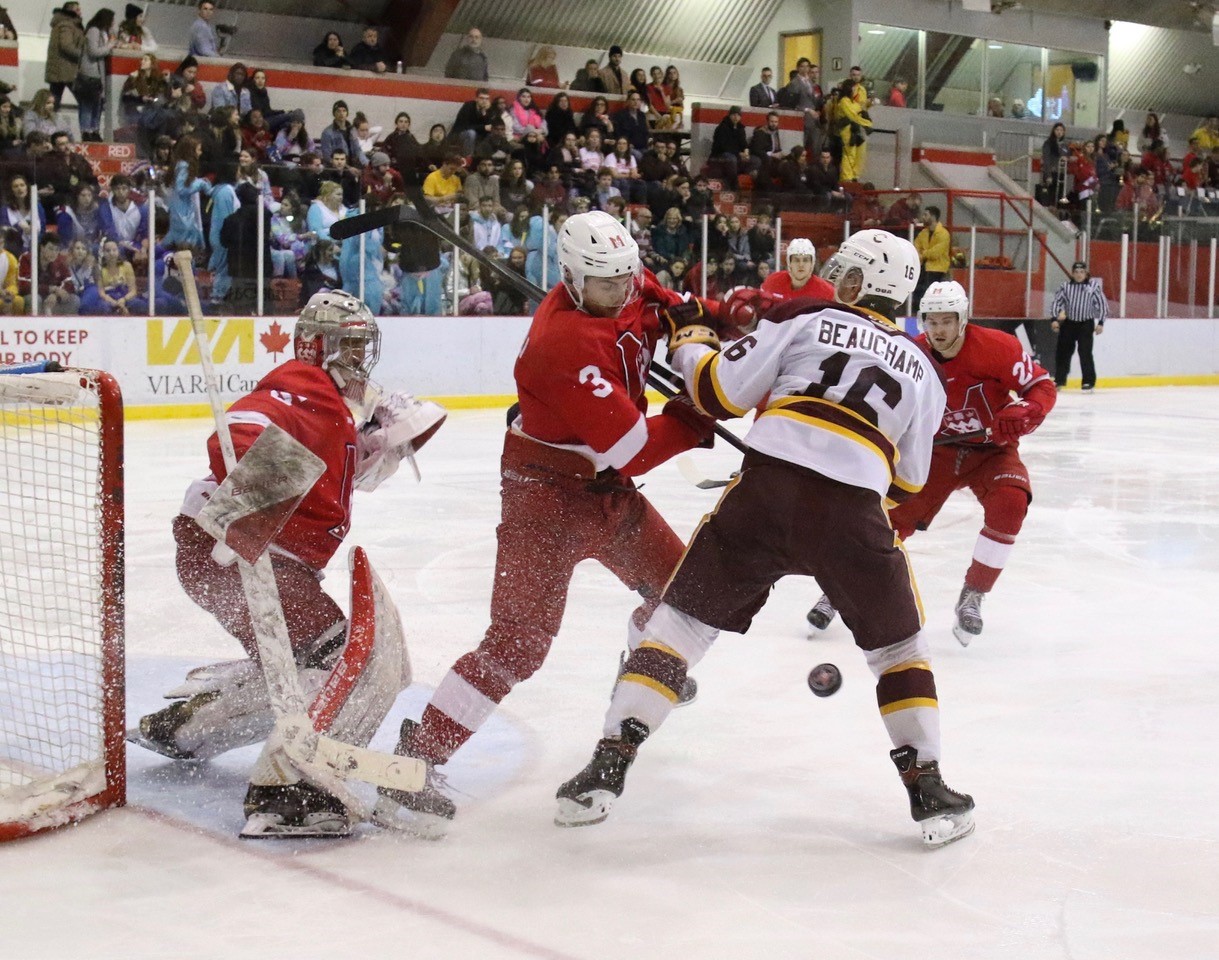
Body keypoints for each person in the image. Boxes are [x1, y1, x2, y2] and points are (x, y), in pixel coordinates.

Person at [553, 229, 975, 850]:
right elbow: (909, 479)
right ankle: (929, 789)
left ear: (860, 282)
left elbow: (718, 390)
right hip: (854, 512)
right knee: (898, 652)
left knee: (680, 628)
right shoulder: (925, 375)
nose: (835, 281)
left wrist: (691, 338)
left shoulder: (805, 315)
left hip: (765, 491)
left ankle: (608, 764)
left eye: (845, 273)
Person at [371, 211, 748, 835]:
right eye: (607, 285)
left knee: (685, 591)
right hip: (544, 501)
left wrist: (707, 317)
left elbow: (673, 306)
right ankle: (413, 764)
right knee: (518, 644)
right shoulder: (563, 346)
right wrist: (694, 413)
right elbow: (637, 448)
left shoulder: (621, 278)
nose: (623, 292)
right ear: (571, 278)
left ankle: (640, 666)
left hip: (605, 490)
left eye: (628, 279)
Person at [129, 291, 446, 837]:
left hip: (239, 555)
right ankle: (289, 792)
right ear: (317, 346)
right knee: (350, 662)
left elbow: (332, 464)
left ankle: (187, 728)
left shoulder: (330, 406)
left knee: (297, 666)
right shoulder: (304, 381)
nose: (358, 357)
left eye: (361, 345)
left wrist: (372, 440)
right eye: (347, 344)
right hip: (242, 553)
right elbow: (243, 429)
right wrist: (254, 492)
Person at [806, 278, 1056, 648]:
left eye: (947, 321)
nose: (939, 330)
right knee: (886, 521)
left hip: (991, 451)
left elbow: (1041, 386)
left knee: (1011, 503)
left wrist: (1026, 408)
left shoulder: (998, 348)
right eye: (932, 321)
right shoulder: (911, 354)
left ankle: (973, 594)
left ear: (963, 319)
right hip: (934, 452)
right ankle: (838, 592)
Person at [1051, 261, 1106, 391]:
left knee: (1085, 352)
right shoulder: (1066, 286)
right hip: (1069, 323)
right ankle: (1059, 380)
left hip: (1086, 324)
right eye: (1076, 272)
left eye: (1081, 272)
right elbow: (1056, 302)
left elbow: (1102, 304)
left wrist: (1101, 322)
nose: (1079, 275)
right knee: (1063, 352)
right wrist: (1054, 319)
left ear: (1086, 273)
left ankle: (1088, 381)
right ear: (1072, 273)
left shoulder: (1093, 286)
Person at [77, 8, 117, 142]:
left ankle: (94, 129)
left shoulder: (103, 32)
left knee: (98, 104)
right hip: (90, 72)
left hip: (99, 73)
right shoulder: (93, 31)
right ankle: (86, 131)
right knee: (88, 104)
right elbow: (93, 51)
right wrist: (110, 46)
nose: (113, 22)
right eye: (112, 20)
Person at [760, 236, 835, 299]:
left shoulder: (826, 292)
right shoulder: (772, 281)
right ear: (789, 262)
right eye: (796, 260)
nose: (801, 264)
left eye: (805, 260)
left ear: (812, 263)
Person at [45, 2, 85, 110]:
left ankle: (48, 124)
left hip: (60, 69)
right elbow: (67, 46)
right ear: (70, 10)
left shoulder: (64, 23)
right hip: (66, 69)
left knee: (54, 101)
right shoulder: (67, 24)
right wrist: (83, 56)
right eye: (77, 9)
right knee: (85, 100)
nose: (80, 12)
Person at [912, 205, 950, 310]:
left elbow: (935, 253)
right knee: (916, 290)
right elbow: (916, 247)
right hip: (923, 267)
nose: (923, 217)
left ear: (933, 217)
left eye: (926, 215)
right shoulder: (923, 233)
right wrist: (923, 254)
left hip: (937, 269)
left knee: (927, 291)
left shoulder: (944, 234)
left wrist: (923, 254)